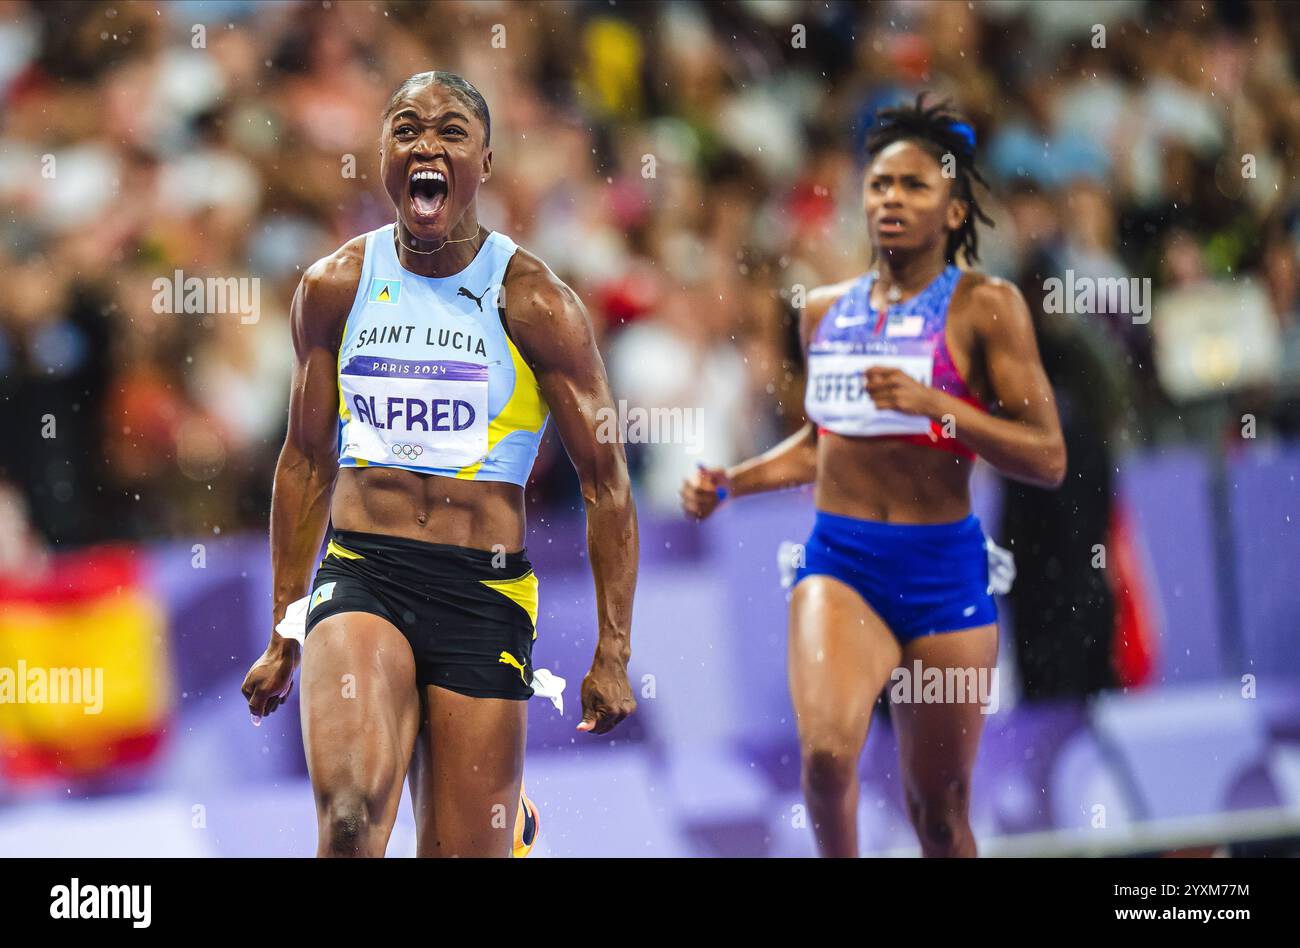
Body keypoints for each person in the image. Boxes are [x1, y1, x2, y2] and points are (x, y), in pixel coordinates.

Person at [241, 71, 638, 858]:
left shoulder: (534, 304)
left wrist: (613, 652)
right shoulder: (336, 287)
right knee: (350, 820)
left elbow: (606, 484)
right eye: (407, 127)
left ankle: (508, 820)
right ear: (384, 155)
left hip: (481, 591)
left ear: (485, 161)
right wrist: (286, 629)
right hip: (364, 573)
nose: (427, 143)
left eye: (451, 131)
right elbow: (306, 463)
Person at [682, 97, 1065, 857]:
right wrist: (732, 481)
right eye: (880, 184)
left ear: (955, 211)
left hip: (944, 571)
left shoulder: (988, 308)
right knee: (826, 758)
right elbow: (825, 442)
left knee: (941, 811)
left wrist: (938, 406)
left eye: (914, 186)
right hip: (842, 564)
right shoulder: (823, 312)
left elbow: (1047, 457)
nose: (890, 199)